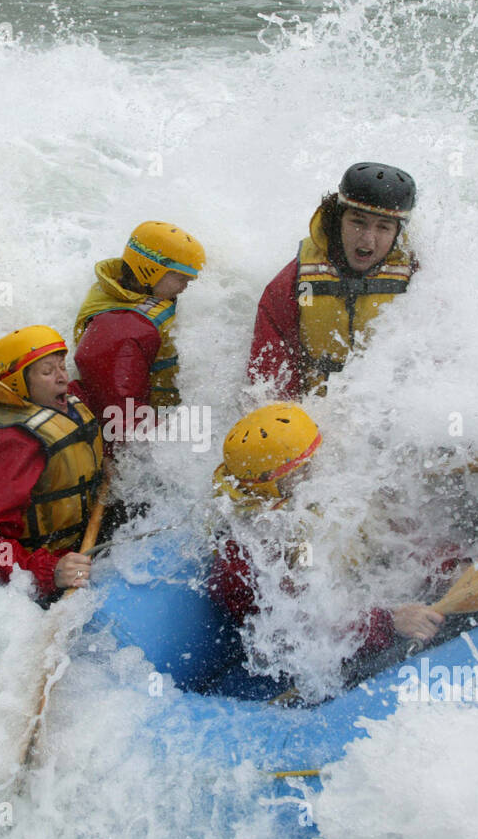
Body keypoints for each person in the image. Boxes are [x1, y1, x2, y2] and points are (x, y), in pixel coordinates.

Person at [207, 404, 448, 675]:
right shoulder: (256, 552)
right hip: (315, 653)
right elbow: (311, 625)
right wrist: (390, 621)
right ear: (275, 484)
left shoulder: (305, 498)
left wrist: (446, 565)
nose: (319, 469)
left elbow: (389, 538)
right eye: (306, 467)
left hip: (366, 596)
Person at [0, 326, 105, 602]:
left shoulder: (60, 405)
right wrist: (49, 571)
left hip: (82, 539)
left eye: (62, 366)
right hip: (43, 565)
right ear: (17, 385)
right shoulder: (8, 444)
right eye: (48, 372)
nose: (63, 379)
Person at [248, 162, 418, 399]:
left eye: (383, 227)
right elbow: (271, 376)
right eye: (357, 222)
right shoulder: (294, 282)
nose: (368, 240)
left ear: (397, 232)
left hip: (384, 412)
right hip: (313, 410)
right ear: (338, 219)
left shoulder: (419, 281)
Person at [72, 221, 204, 448]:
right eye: (181, 279)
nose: (186, 287)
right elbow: (122, 421)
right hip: (142, 428)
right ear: (150, 270)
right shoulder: (121, 332)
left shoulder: (126, 289)